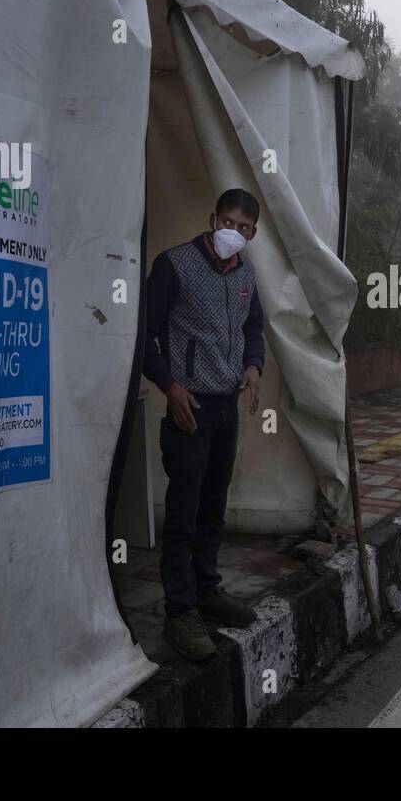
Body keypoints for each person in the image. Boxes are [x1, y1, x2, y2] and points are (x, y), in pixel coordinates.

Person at [143, 189, 265, 661]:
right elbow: (147, 332)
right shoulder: (174, 264)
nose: (233, 232)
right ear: (213, 217)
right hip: (187, 408)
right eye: (227, 221)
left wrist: (253, 366)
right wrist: (169, 386)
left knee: (214, 505)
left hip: (225, 410)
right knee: (184, 512)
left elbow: (253, 328)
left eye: (244, 227)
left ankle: (207, 589)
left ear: (253, 234)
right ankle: (180, 611)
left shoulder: (247, 274)